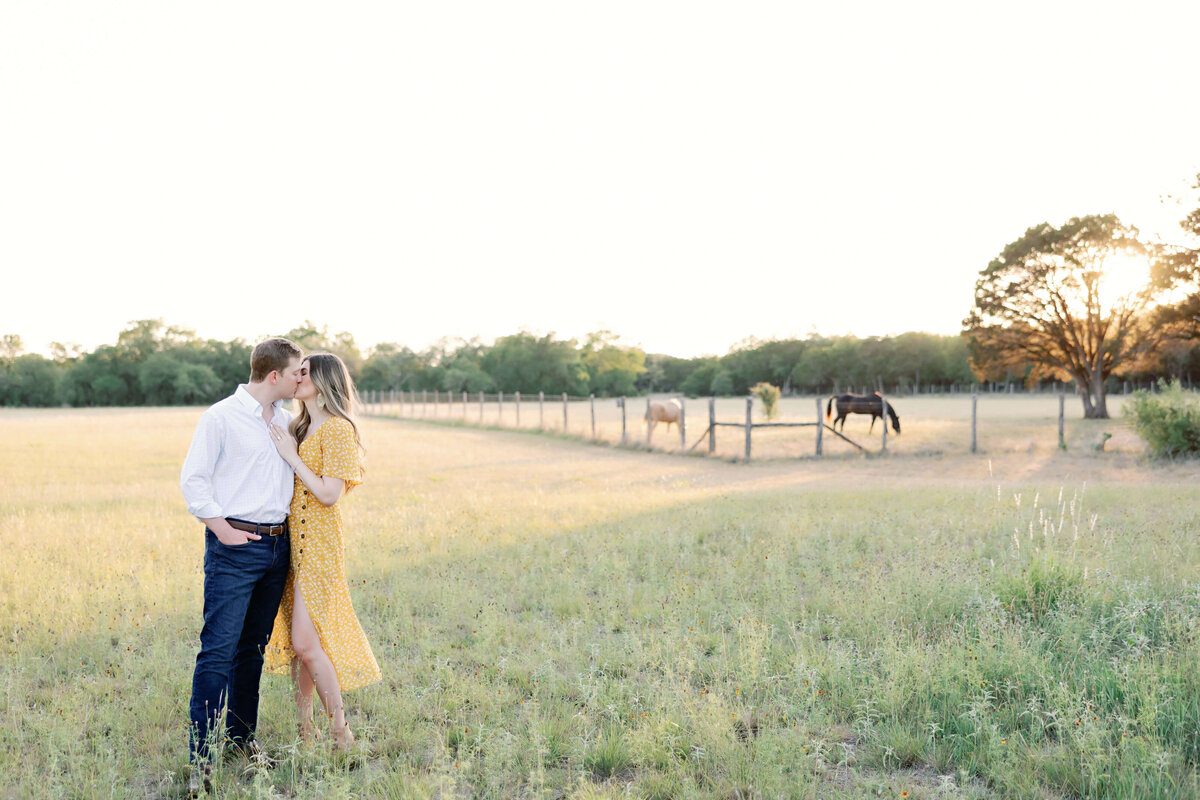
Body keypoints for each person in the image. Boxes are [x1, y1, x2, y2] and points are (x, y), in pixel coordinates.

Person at [179, 337, 303, 795]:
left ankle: (241, 739)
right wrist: (222, 530)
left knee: (252, 649)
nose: (300, 379)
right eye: (296, 372)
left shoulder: (288, 421)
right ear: (274, 376)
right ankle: (202, 760)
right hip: (234, 545)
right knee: (217, 651)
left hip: (277, 548)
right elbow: (193, 479)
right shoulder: (221, 417)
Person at [263, 352, 381, 751]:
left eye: (305, 372)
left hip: (319, 546)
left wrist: (292, 458)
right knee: (301, 645)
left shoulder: (337, 430)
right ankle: (305, 733)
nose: (297, 377)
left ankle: (340, 732)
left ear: (324, 380)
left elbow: (330, 494)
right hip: (292, 543)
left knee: (306, 643)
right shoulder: (298, 425)